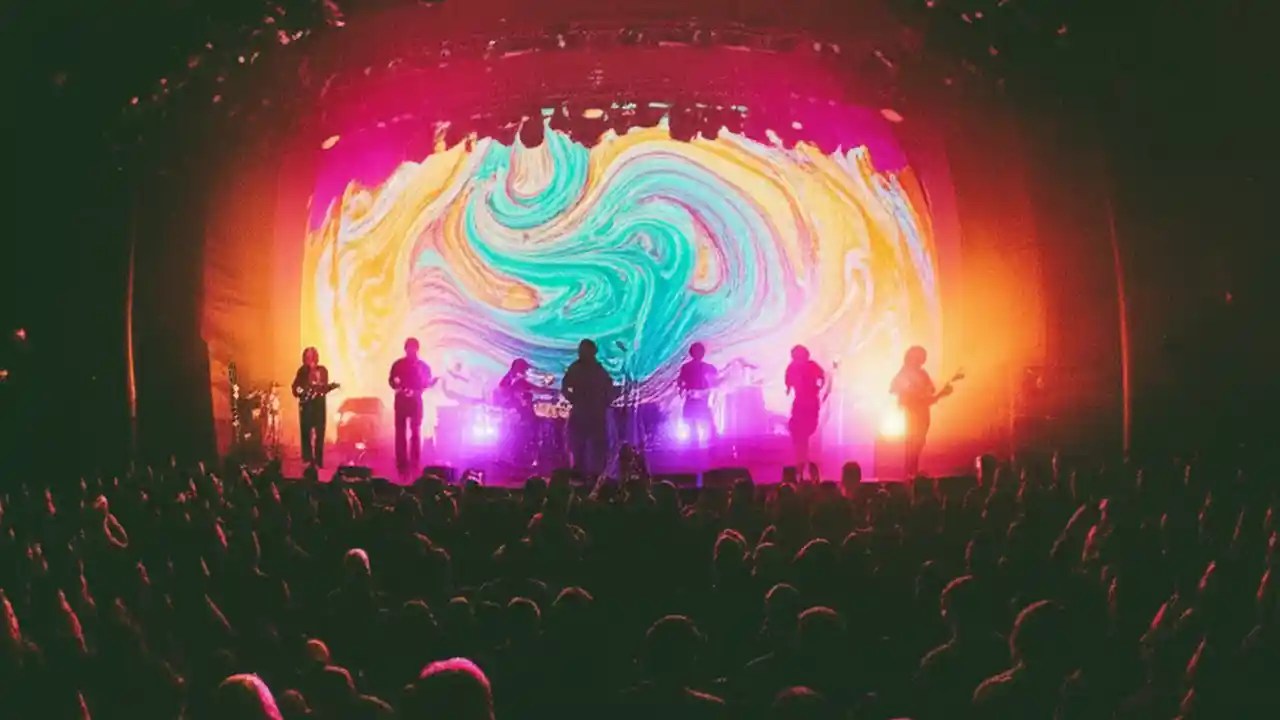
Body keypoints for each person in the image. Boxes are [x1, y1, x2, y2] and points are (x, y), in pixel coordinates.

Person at [890, 346, 953, 478]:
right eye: (920, 357)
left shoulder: (922, 374)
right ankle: (910, 475)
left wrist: (937, 393)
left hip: (922, 414)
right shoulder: (905, 373)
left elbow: (930, 392)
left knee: (917, 445)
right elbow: (895, 388)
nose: (922, 360)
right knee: (913, 445)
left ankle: (912, 474)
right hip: (914, 414)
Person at [562, 340, 616, 478]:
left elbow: (608, 387)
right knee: (577, 443)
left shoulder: (598, 369)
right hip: (583, 411)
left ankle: (595, 473)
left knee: (596, 444)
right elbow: (565, 387)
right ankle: (580, 471)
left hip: (594, 411)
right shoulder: (576, 368)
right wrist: (572, 399)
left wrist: (606, 400)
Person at [389, 338, 437, 477]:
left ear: (417, 349)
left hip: (415, 402)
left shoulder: (423, 366)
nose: (411, 350)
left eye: (413, 348)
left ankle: (414, 464)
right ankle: (402, 465)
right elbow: (392, 380)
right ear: (405, 349)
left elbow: (426, 383)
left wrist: (425, 386)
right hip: (401, 402)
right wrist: (398, 387)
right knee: (400, 434)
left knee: (415, 433)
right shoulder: (398, 364)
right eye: (409, 348)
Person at [784, 345, 825, 482]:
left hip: (810, 405)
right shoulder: (792, 367)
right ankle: (802, 466)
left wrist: (816, 388)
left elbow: (822, 377)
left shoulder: (812, 366)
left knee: (804, 436)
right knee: (799, 437)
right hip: (801, 405)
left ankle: (806, 466)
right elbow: (788, 382)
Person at [291, 347, 331, 468]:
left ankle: (318, 460)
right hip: (306, 406)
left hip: (318, 405)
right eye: (307, 357)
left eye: (311, 357)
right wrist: (301, 391)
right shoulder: (302, 371)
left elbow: (324, 386)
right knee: (305, 432)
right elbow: (295, 387)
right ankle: (308, 459)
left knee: (320, 432)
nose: (309, 359)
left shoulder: (322, 370)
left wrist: (322, 388)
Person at [677, 342, 718, 446]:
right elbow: (716, 383)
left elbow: (680, 383)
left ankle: (697, 444)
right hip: (701, 397)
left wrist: (682, 391)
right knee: (705, 421)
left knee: (695, 422)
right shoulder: (709, 367)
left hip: (695, 397)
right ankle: (711, 443)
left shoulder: (686, 367)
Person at [497, 359, 538, 462]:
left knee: (517, 436)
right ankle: (515, 458)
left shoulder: (512, 379)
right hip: (516, 413)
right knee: (518, 436)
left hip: (515, 412)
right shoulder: (515, 380)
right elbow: (504, 393)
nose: (526, 370)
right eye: (524, 368)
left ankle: (512, 457)